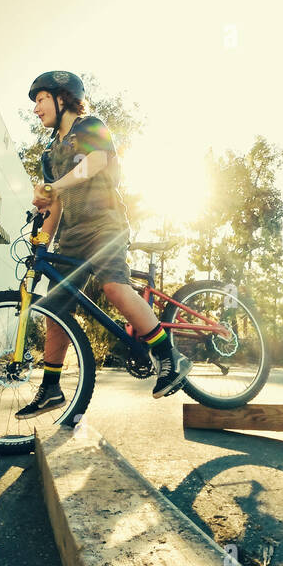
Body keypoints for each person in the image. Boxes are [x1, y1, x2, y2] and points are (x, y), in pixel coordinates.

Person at [16, 70, 190, 417]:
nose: (36, 109)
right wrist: (41, 242)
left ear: (61, 97)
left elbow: (96, 162)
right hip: (73, 235)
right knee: (56, 309)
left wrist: (54, 188)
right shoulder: (51, 152)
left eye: (40, 99)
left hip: (105, 223)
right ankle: (50, 388)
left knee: (113, 286)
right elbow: (57, 204)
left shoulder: (90, 126)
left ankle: (169, 355)